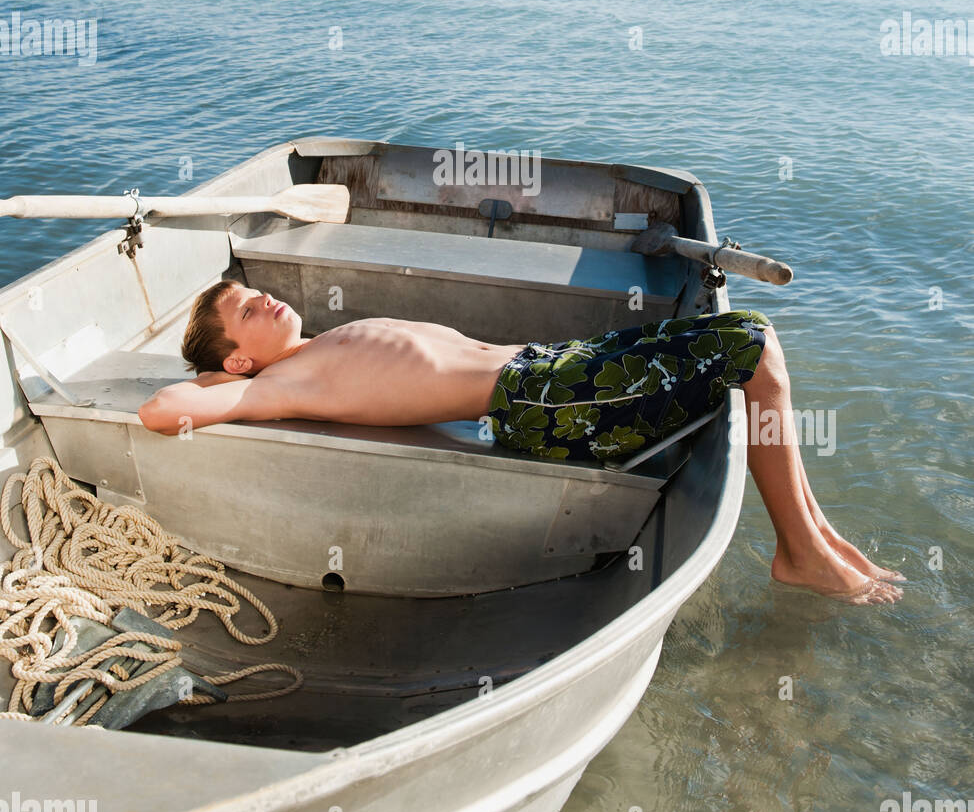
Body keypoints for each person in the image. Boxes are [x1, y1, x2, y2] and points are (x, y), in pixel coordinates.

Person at [138, 280, 905, 605]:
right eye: (246, 312)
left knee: (753, 338)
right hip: (541, 404)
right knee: (752, 347)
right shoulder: (274, 387)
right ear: (236, 361)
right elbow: (159, 411)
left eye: (256, 292)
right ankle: (799, 553)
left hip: (548, 369)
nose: (265, 299)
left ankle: (817, 538)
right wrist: (213, 385)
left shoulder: (315, 348)